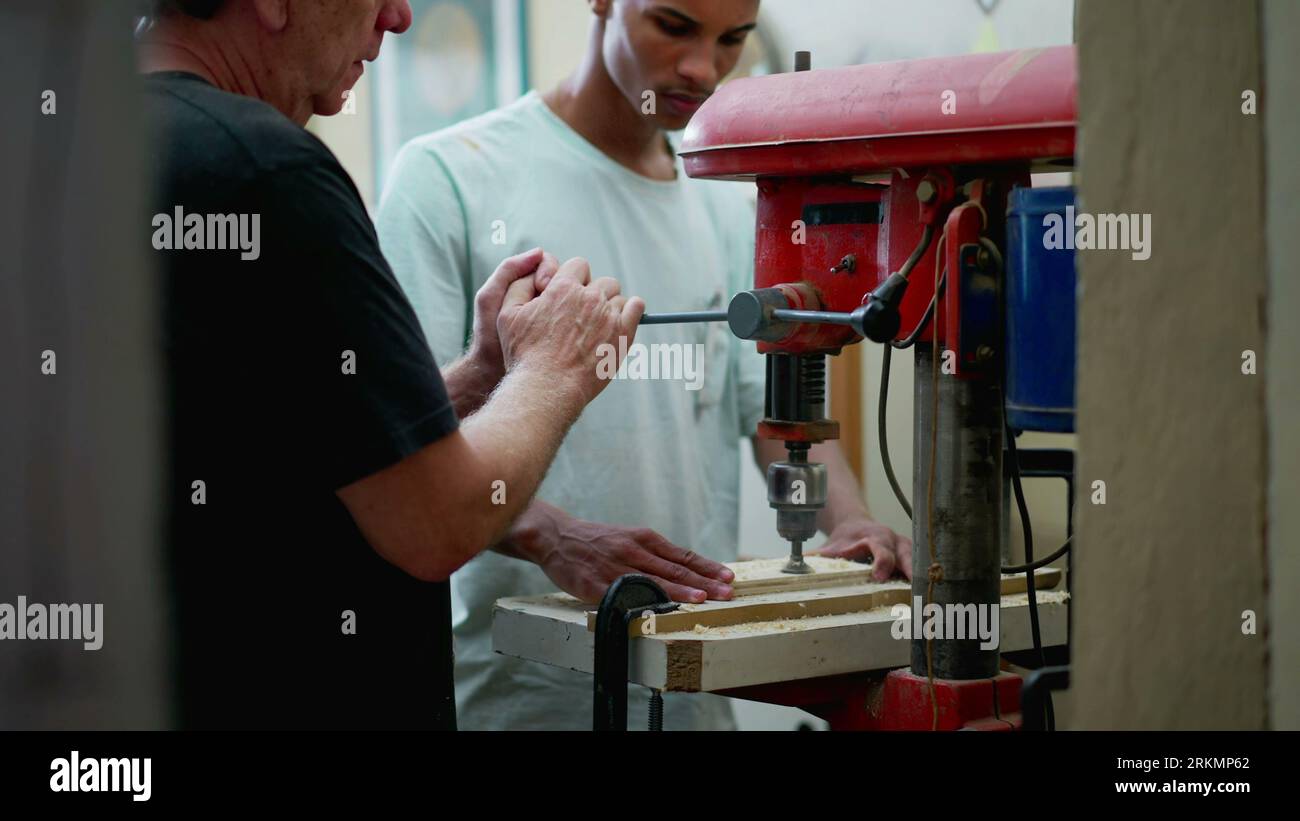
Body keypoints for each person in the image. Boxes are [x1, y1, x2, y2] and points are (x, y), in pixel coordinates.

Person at [377, 0, 913, 730]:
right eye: (673, 26)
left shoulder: (724, 209)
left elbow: (770, 416)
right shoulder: (448, 178)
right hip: (525, 697)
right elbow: (407, 454)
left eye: (732, 39)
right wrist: (555, 535)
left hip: (691, 691)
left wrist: (849, 521)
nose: (703, 68)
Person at [137, 0, 655, 729]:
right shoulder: (268, 169)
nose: (399, 17)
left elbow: (280, 455)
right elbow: (435, 523)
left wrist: (480, 376)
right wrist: (555, 368)